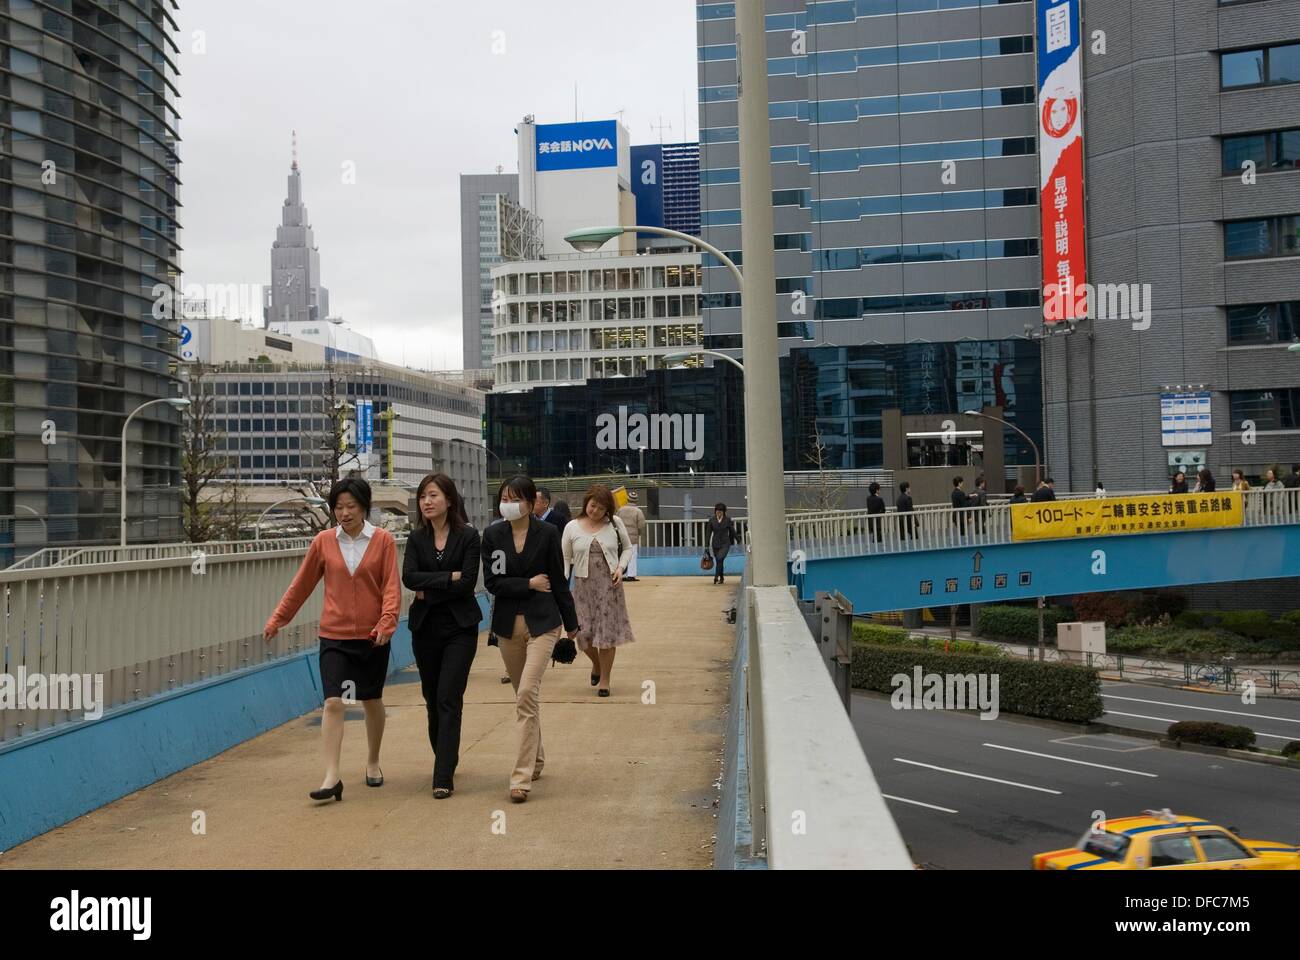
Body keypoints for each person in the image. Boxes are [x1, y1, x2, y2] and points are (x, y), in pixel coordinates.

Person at [263, 478, 400, 803]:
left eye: (351, 506)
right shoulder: (324, 541)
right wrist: (278, 619)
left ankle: (372, 761)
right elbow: (302, 585)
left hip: (372, 637)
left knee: (370, 701)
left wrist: (387, 622)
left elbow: (391, 587)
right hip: (334, 636)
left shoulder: (383, 541)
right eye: (338, 507)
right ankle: (332, 776)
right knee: (334, 702)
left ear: (364, 507)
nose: (344, 512)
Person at [481, 475, 579, 803]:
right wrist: (527, 584)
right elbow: (494, 582)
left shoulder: (548, 533)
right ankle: (537, 758)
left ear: (529, 501)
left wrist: (571, 624)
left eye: (515, 497)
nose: (507, 502)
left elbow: (558, 580)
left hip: (544, 622)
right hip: (508, 625)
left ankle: (521, 776)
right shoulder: (493, 535)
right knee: (524, 699)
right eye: (503, 497)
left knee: (525, 691)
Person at [403, 473, 481, 800]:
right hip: (426, 630)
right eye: (423, 497)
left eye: (433, 495)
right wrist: (447, 577)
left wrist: (429, 588)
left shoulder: (469, 537)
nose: (427, 502)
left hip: (460, 628)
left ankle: (443, 773)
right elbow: (409, 578)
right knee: (432, 700)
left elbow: (467, 584)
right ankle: (445, 755)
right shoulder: (416, 539)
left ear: (449, 500)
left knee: (449, 697)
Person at [563, 484, 636, 697]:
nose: (595, 511)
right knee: (581, 634)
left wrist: (621, 568)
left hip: (609, 586)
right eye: (592, 505)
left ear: (608, 511)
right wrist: (563, 582)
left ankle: (605, 679)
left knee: (606, 635)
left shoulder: (615, 523)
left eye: (601, 509)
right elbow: (566, 558)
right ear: (587, 502)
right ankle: (596, 664)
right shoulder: (572, 527)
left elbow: (628, 548)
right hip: (582, 587)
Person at [616, 490, 647, 581]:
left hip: (621, 536)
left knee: (622, 555)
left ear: (627, 499)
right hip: (633, 537)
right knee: (632, 555)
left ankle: (622, 574)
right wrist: (639, 533)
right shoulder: (638, 511)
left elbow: (616, 520)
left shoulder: (621, 509)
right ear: (636, 501)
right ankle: (631, 575)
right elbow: (641, 525)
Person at [707, 503, 738, 584]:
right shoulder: (711, 520)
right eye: (717, 512)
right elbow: (708, 534)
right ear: (715, 512)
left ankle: (716, 577)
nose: (719, 513)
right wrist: (706, 546)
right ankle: (722, 577)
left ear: (724, 512)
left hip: (725, 544)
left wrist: (738, 540)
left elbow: (732, 531)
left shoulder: (728, 520)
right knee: (719, 561)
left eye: (721, 512)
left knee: (720, 558)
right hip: (715, 544)